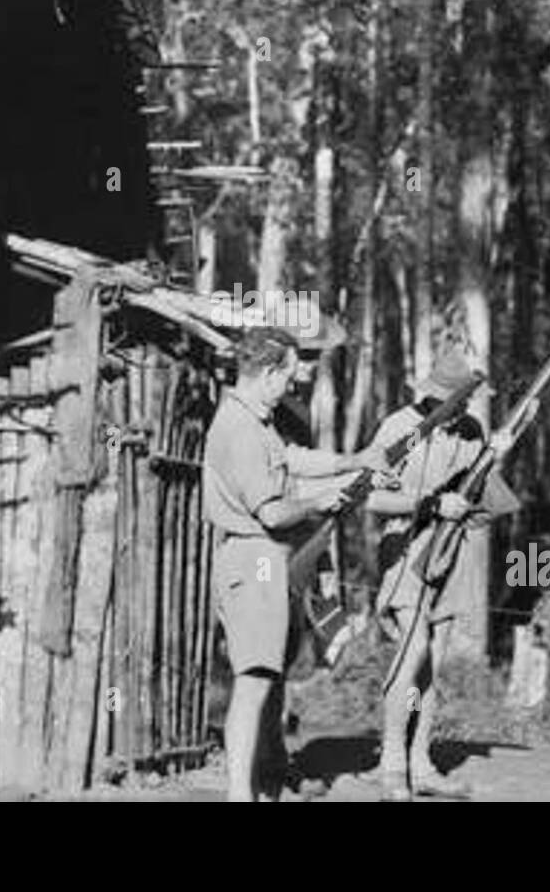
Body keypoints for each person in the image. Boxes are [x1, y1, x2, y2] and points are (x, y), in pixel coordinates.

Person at [204, 325, 387, 802]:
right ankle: (240, 795)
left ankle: (260, 781)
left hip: (266, 558)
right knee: (253, 681)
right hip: (255, 556)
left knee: (266, 675)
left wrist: (355, 460)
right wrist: (323, 501)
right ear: (267, 372)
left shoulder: (257, 422)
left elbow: (292, 460)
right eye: (288, 373)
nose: (294, 382)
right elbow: (272, 511)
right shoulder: (240, 429)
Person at [366, 351, 527, 801]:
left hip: (451, 550)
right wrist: (432, 505)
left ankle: (421, 762)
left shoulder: (471, 430)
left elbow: (480, 490)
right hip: (407, 551)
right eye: (459, 400)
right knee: (413, 649)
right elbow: (372, 500)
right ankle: (392, 762)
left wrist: (498, 455)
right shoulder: (400, 428)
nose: (465, 408)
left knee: (431, 664)